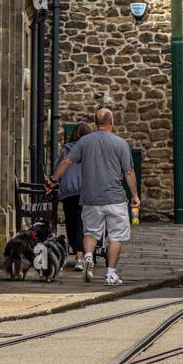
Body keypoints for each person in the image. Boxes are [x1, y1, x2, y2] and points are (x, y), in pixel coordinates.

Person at [48, 107, 139, 287]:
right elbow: (129, 172)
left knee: (90, 232)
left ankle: (88, 255)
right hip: (115, 198)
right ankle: (110, 274)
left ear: (96, 123)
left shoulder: (84, 142)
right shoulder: (120, 143)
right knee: (116, 236)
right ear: (111, 122)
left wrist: (53, 179)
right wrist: (135, 195)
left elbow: (67, 161)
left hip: (90, 198)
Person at [52, 122, 92, 271]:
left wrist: (53, 180)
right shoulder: (91, 150)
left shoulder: (66, 150)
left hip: (69, 192)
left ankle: (79, 255)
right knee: (84, 223)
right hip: (87, 191)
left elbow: (58, 167)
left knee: (71, 223)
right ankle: (82, 255)